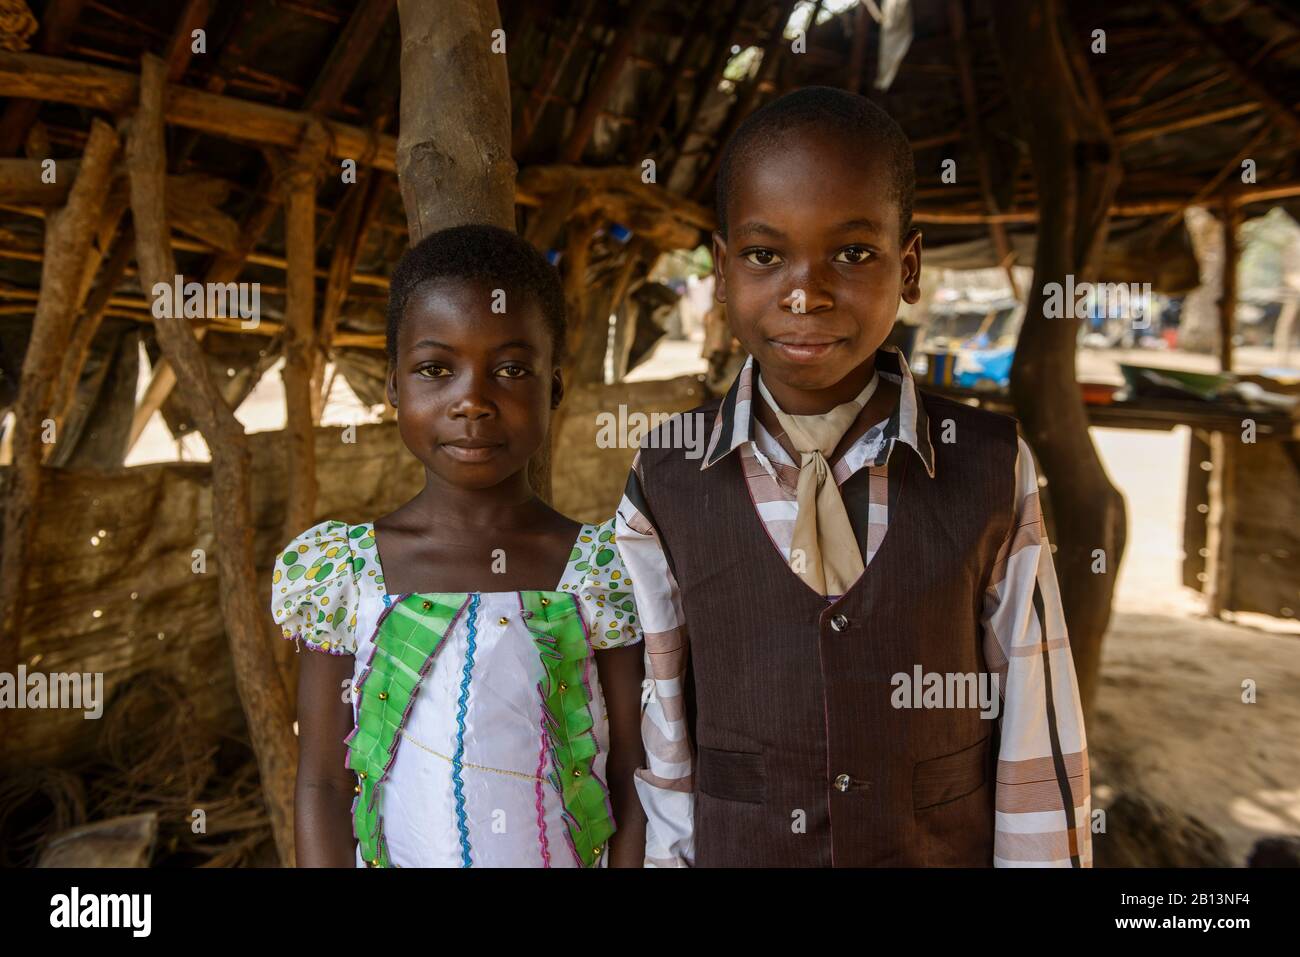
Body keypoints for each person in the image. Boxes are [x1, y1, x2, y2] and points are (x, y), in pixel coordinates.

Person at [617, 87, 1091, 867]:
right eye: (766, 256)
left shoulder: (990, 467)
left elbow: (1038, 736)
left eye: (853, 252)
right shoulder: (665, 475)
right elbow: (665, 736)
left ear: (908, 267)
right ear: (723, 268)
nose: (807, 292)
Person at [274, 224, 645, 867]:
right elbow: (323, 783)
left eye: (510, 370)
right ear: (393, 386)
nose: (472, 401)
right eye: (436, 369)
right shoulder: (344, 572)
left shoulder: (600, 572)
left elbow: (634, 777)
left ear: (554, 387)